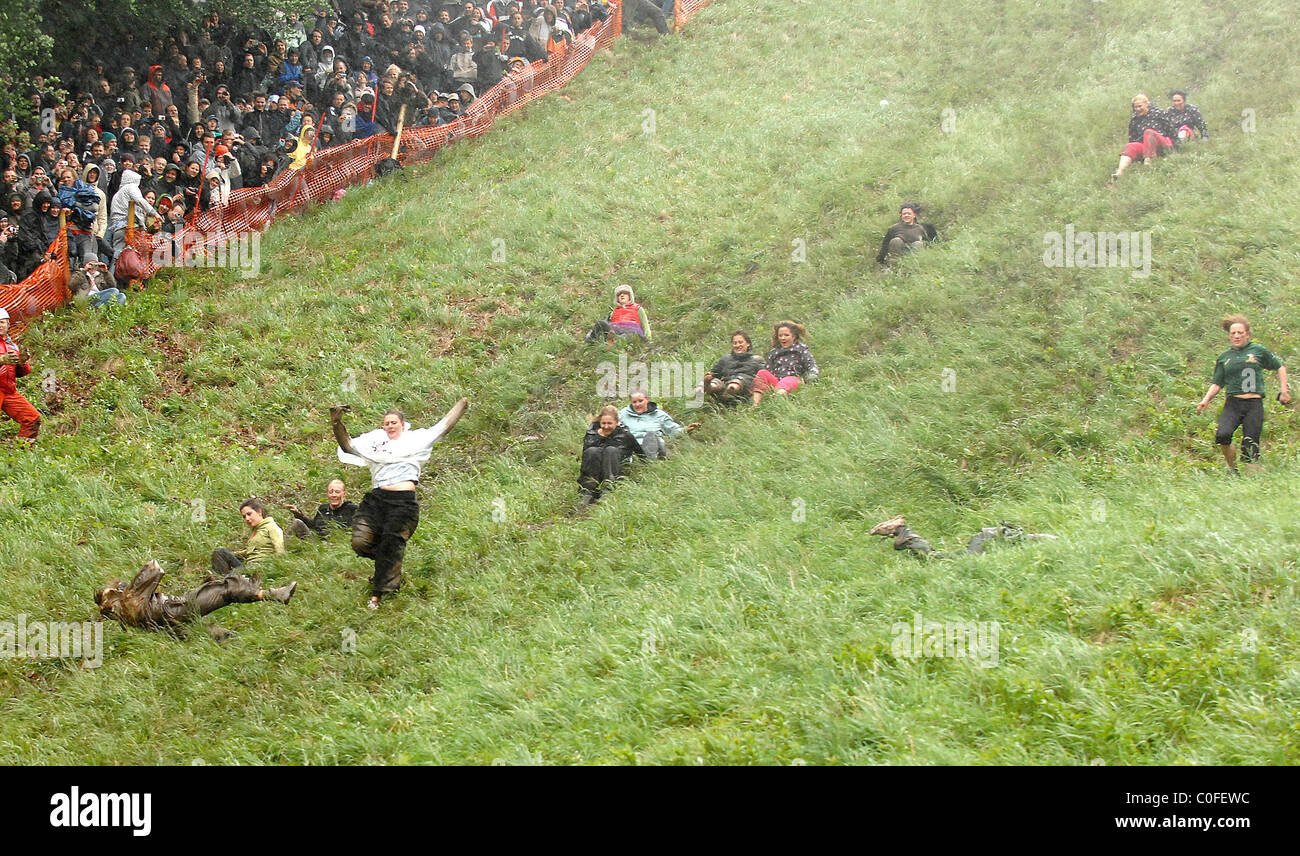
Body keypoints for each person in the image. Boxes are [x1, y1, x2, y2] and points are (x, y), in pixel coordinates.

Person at [332, 398, 470, 610]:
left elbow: (444, 425)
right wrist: (336, 421)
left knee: (390, 543)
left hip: (402, 504)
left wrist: (462, 403)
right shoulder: (375, 444)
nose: (389, 426)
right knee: (360, 542)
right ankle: (388, 565)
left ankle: (377, 595)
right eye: (386, 423)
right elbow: (347, 445)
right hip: (377, 500)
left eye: (393, 422)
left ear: (403, 425)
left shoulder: (415, 441)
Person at [96, 559, 296, 635]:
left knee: (206, 631)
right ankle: (274, 595)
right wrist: (124, 588)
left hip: (172, 622)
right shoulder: (129, 600)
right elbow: (155, 569)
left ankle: (227, 640)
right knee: (225, 589)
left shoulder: (128, 617)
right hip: (176, 608)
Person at [1196, 314, 1289, 473]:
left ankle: (1252, 483)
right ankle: (1233, 471)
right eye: (1233, 333)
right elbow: (1218, 382)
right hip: (1233, 403)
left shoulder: (1258, 350)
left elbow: (1279, 366)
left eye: (1240, 332)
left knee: (1250, 444)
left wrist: (1284, 390)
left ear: (1248, 334)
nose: (1236, 336)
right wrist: (1206, 400)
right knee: (1223, 435)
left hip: (1254, 404)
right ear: (1229, 336)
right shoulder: (1225, 357)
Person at [868, 515, 1057, 559]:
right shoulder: (1031, 540)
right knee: (945, 558)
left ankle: (906, 535)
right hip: (985, 538)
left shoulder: (1033, 541)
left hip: (986, 537)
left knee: (940, 558)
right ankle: (905, 533)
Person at [578, 404, 645, 504]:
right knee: (592, 451)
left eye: (609, 423)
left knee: (611, 450)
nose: (606, 426)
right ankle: (588, 491)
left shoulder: (625, 434)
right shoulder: (591, 434)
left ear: (617, 422)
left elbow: (641, 454)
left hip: (616, 471)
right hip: (595, 470)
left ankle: (608, 489)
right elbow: (585, 459)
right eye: (603, 423)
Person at [210, 498, 287, 576]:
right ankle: (220, 578)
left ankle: (223, 581)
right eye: (244, 516)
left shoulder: (271, 527)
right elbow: (250, 551)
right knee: (220, 552)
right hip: (248, 565)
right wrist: (232, 554)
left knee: (232, 577)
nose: (247, 519)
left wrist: (278, 569)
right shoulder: (256, 531)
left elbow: (280, 549)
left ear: (259, 512)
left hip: (260, 566)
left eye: (249, 514)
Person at [1111, 93, 1175, 181]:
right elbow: (1133, 138)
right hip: (1145, 145)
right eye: (1135, 107)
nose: (1138, 109)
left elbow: (1171, 130)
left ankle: (1148, 162)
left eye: (1140, 106)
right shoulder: (1135, 119)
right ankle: (1120, 171)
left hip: (1162, 143)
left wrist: (1175, 147)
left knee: (1148, 132)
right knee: (1130, 146)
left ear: (1147, 104)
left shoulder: (1158, 113)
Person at [618, 390, 698, 459]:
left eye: (640, 401)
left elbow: (672, 430)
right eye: (634, 402)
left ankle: (651, 458)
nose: (638, 404)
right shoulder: (623, 414)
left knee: (650, 436)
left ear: (647, 400)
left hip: (654, 445)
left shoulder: (659, 415)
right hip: (633, 447)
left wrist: (685, 430)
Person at [753, 321, 819, 404]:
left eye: (786, 335)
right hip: (777, 381)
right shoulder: (774, 352)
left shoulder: (801, 349)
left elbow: (811, 364)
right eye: (780, 335)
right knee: (762, 372)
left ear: (794, 336)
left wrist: (812, 375)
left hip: (793, 379)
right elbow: (768, 369)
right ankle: (756, 404)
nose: (783, 338)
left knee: (787, 380)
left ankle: (778, 400)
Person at [0, 308, 40, 443]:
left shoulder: (13, 346)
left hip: (9, 391)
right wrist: (1, 361)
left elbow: (21, 373)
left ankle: (22, 452)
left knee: (32, 418)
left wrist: (22, 363)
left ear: (8, 325)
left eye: (3, 322)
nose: (0, 325)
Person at [703, 330, 766, 405]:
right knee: (714, 384)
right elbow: (714, 373)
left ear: (748, 344)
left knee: (734, 385)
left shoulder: (757, 360)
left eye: (740, 342)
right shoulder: (726, 359)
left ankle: (728, 395)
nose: (737, 345)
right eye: (735, 343)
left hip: (744, 388)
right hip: (725, 385)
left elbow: (763, 377)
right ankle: (713, 396)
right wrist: (708, 377)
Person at [284, 478, 358, 538]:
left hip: (338, 548)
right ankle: (282, 552)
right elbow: (313, 525)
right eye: (331, 492)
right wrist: (299, 514)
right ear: (327, 494)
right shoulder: (323, 508)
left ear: (344, 494)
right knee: (297, 522)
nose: (333, 495)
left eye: (337, 492)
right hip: (316, 544)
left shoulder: (352, 509)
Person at [584, 284, 652, 343]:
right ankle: (592, 339)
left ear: (630, 296)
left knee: (632, 333)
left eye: (625, 293)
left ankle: (616, 340)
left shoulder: (638, 308)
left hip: (630, 329)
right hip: (615, 329)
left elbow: (645, 324)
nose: (622, 295)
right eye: (619, 294)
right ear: (617, 299)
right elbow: (605, 323)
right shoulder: (614, 312)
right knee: (600, 323)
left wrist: (648, 338)